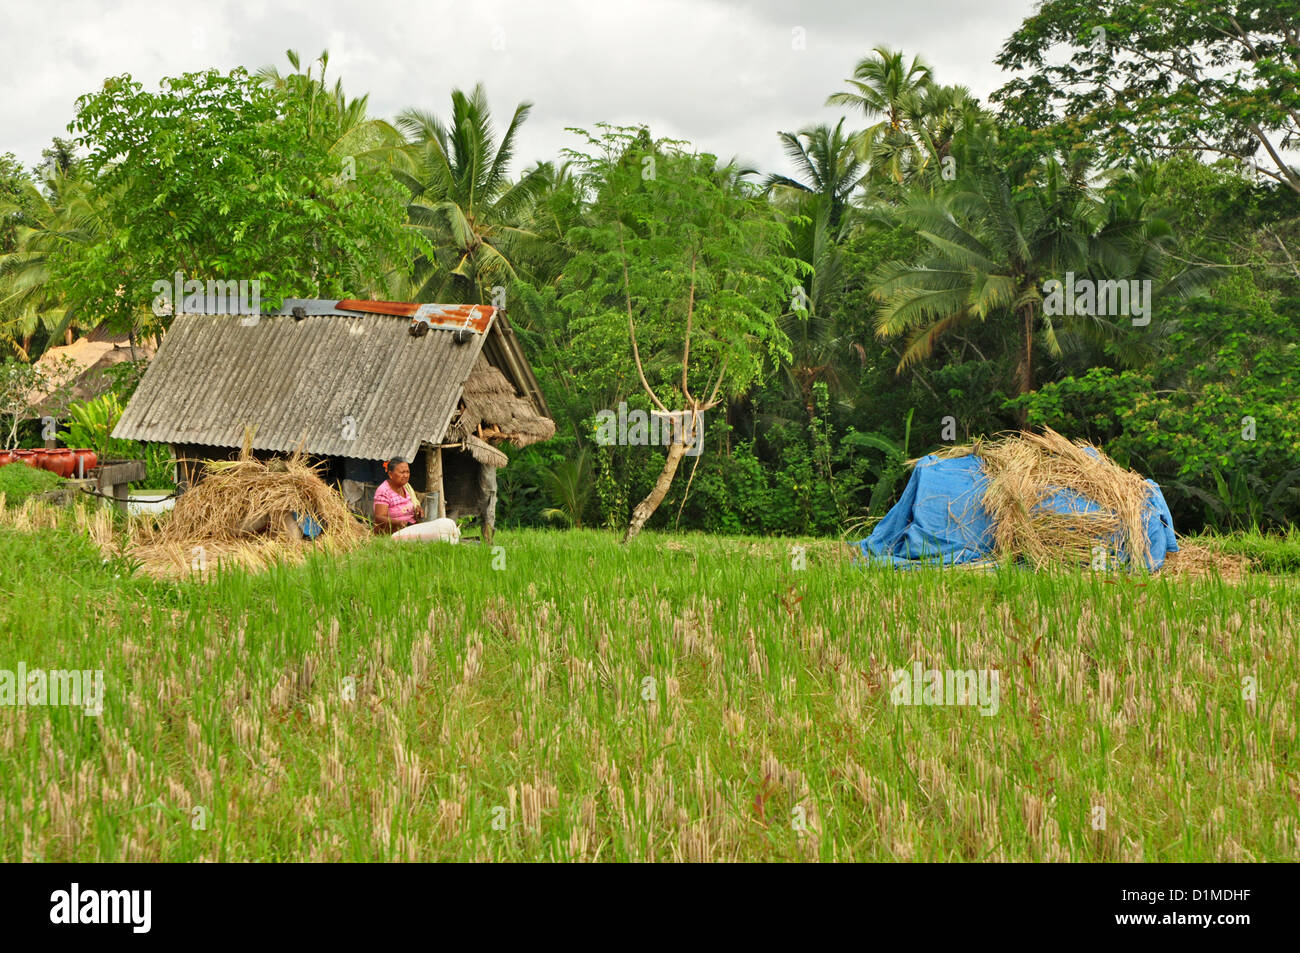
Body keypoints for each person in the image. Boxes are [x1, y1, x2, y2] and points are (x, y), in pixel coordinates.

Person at [372, 457, 424, 534]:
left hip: (410, 528)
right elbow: (379, 518)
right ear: (390, 474)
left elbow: (411, 506)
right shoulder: (383, 491)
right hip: (393, 533)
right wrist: (397, 523)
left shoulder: (407, 487)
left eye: (407, 472)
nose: (406, 475)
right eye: (402, 472)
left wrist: (418, 510)